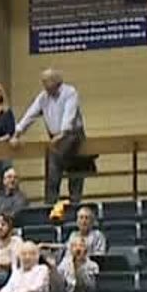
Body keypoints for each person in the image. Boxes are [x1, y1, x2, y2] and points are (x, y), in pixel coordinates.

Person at [11, 67, 89, 205]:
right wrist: (17, 132)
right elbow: (30, 115)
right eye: (43, 82)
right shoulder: (43, 97)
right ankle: (50, 204)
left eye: (46, 81)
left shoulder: (70, 92)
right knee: (54, 170)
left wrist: (62, 133)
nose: (44, 85)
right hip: (56, 137)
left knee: (73, 171)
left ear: (57, 81)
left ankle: (73, 203)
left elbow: (69, 115)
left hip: (72, 134)